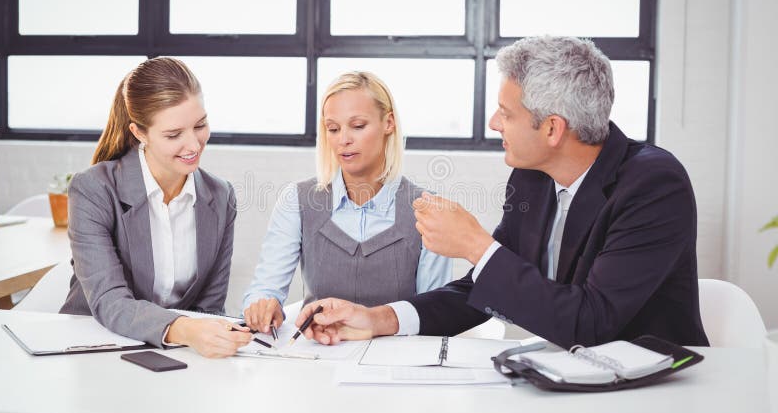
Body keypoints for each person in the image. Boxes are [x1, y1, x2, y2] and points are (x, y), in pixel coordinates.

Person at [294, 36, 709, 349]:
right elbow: (480, 290)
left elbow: (591, 322)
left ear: (552, 129)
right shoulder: (533, 177)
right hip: (567, 377)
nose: (493, 122)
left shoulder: (653, 186)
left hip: (651, 390)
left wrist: (475, 244)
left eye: (506, 113)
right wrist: (377, 319)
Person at [61, 57, 252, 358]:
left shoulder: (220, 196)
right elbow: (110, 302)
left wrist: (216, 335)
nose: (194, 145)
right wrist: (185, 329)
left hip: (176, 356)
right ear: (139, 133)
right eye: (174, 135)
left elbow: (209, 307)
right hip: (94, 349)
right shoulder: (94, 189)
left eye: (200, 125)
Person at [242, 71, 452, 334]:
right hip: (320, 351)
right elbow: (264, 289)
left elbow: (435, 313)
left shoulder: (429, 210)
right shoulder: (296, 201)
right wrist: (262, 306)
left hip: (399, 356)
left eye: (358, 125)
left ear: (388, 123)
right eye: (333, 129)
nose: (343, 139)